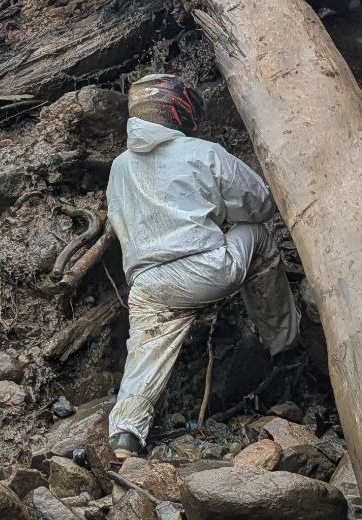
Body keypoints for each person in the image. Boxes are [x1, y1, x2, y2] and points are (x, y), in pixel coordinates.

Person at [105, 74, 297, 457]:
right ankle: (283, 346)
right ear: (180, 111)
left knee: (146, 350)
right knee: (257, 233)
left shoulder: (119, 167)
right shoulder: (202, 152)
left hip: (147, 283)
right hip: (206, 270)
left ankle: (125, 432)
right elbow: (259, 203)